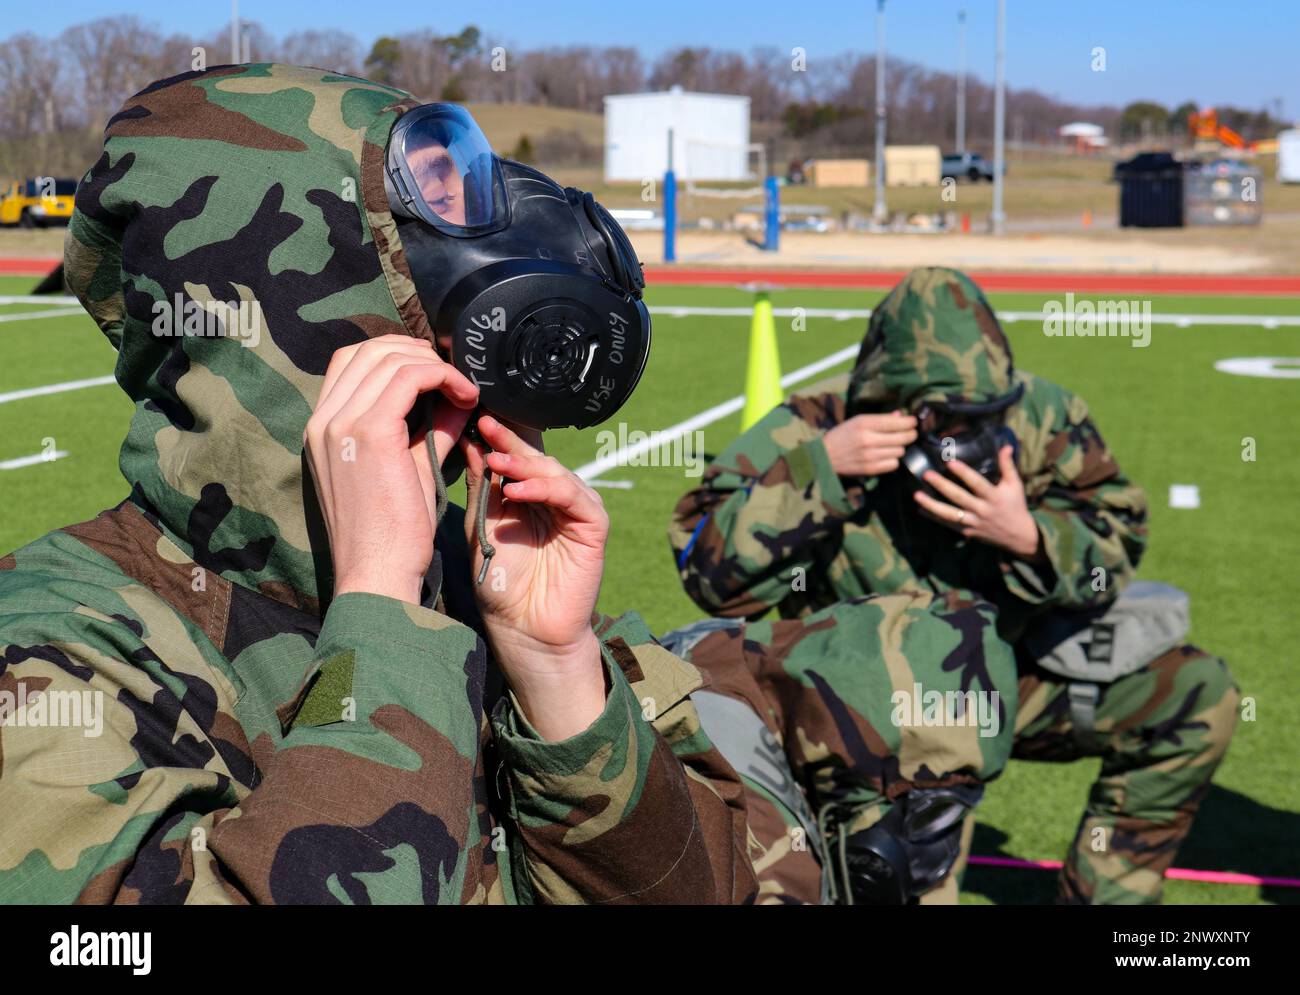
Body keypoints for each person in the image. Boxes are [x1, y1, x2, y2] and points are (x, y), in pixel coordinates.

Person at [0, 63, 755, 905]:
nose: (501, 241)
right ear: (299, 280)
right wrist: (383, 619)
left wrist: (558, 672)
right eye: (439, 207)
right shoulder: (51, 664)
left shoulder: (487, 584)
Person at [669, 266, 1239, 904]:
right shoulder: (813, 426)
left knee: (1195, 694)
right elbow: (708, 573)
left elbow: (1119, 538)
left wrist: (1031, 537)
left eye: (977, 418)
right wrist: (822, 470)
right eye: (940, 419)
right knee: (909, 861)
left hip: (1014, 673)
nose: (958, 436)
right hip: (864, 703)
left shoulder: (1041, 416)